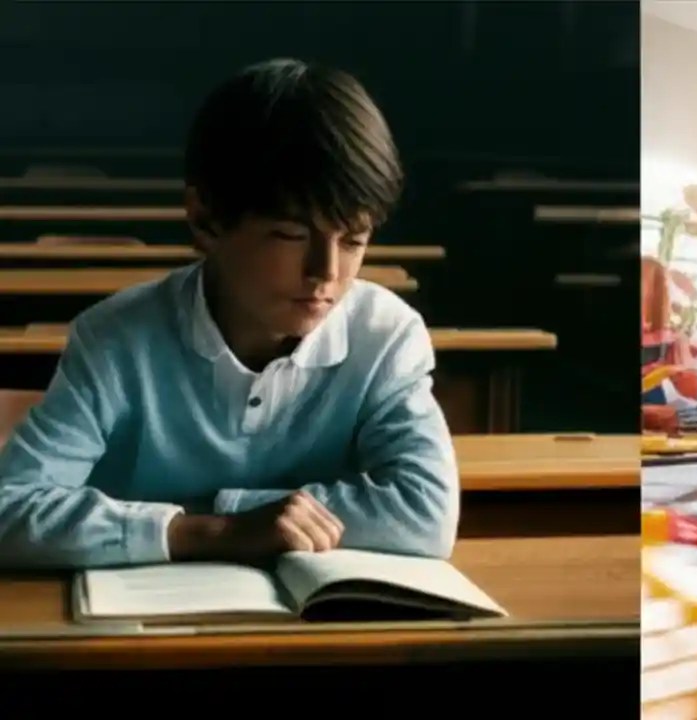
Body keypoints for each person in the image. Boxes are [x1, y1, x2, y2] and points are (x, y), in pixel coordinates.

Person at [0, 58, 460, 569]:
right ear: (205, 219)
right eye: (291, 235)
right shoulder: (116, 339)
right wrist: (212, 532)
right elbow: (8, 508)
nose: (325, 272)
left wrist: (233, 511)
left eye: (354, 240)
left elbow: (426, 514)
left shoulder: (386, 338)